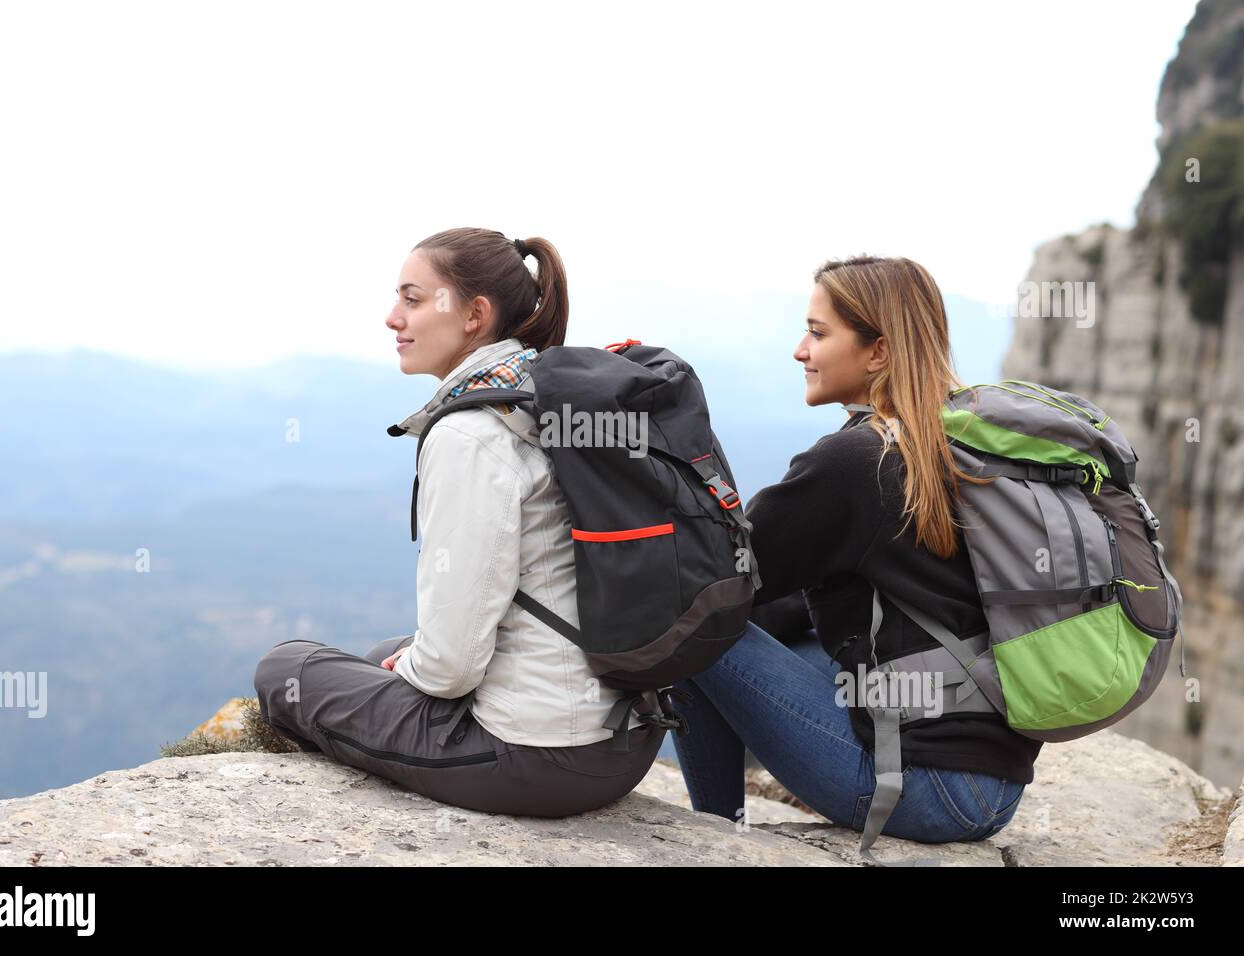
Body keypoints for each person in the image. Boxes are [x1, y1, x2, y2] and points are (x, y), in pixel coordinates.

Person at [253, 227, 666, 817]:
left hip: (538, 759)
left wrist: (420, 667)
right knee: (383, 655)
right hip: (624, 741)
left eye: (413, 299)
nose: (392, 318)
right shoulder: (545, 396)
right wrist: (414, 662)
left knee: (285, 668)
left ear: (474, 314)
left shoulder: (471, 434)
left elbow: (449, 669)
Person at [669, 255, 1039, 847]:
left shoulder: (853, 462)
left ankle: (720, 837)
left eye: (818, 334)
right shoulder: (955, 441)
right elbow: (784, 595)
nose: (800, 351)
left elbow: (711, 576)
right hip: (994, 787)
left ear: (879, 352)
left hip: (926, 789)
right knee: (782, 622)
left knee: (686, 621)